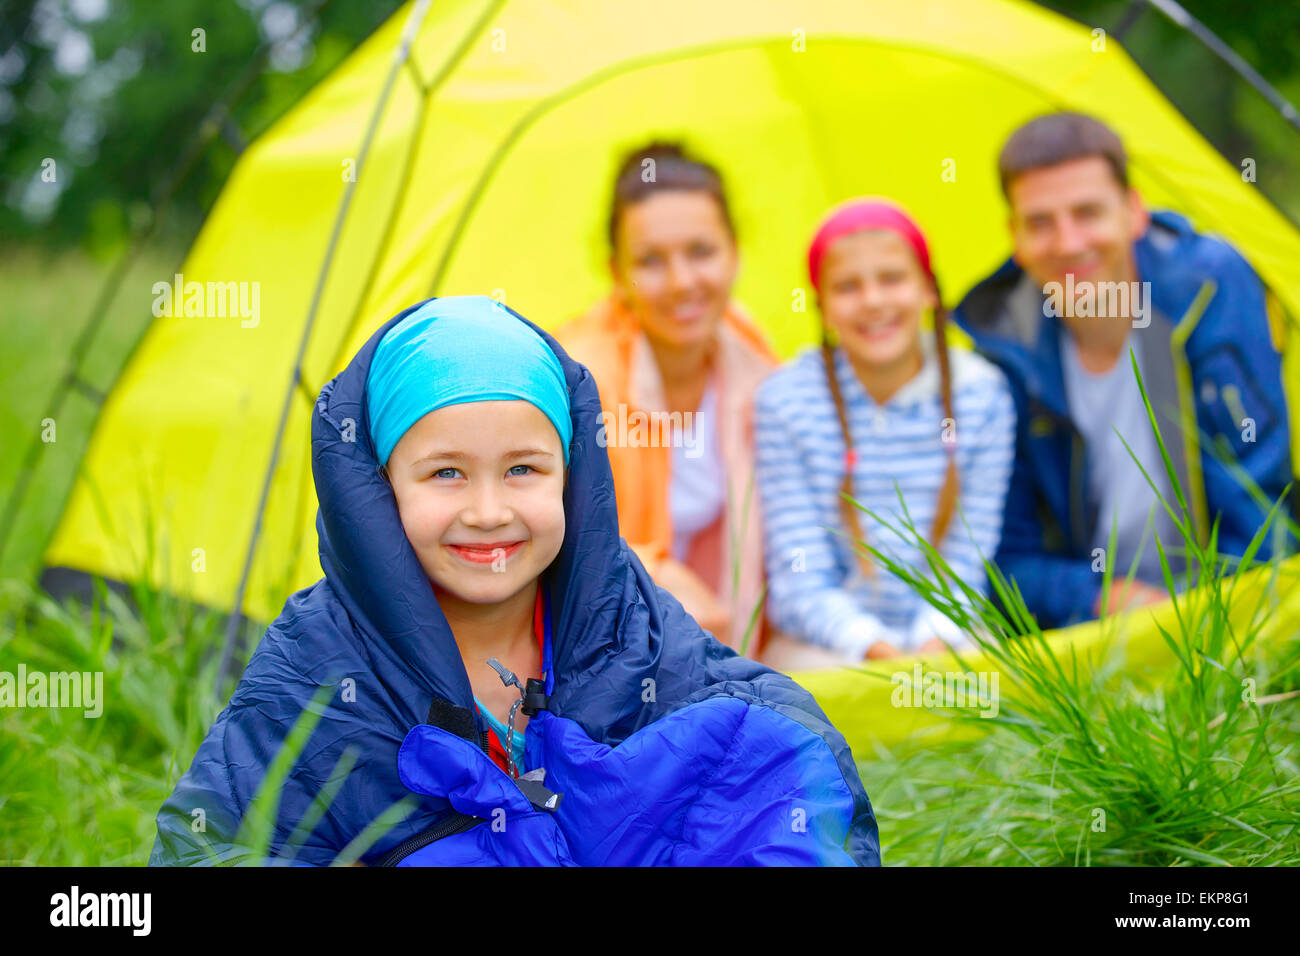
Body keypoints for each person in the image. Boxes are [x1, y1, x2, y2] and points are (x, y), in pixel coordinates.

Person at [150, 295, 879, 866]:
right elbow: (213, 843)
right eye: (445, 474)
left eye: (524, 470)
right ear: (377, 489)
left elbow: (768, 757)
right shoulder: (317, 664)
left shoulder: (632, 621)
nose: (489, 512)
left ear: (572, 476)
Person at [953, 111, 1294, 629]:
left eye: (1088, 212)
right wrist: (1098, 599)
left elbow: (1260, 503)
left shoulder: (1212, 289)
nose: (1068, 243)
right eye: (1040, 222)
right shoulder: (1003, 352)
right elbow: (1001, 562)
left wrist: (1214, 626)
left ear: (1134, 212)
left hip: (1232, 609)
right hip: (1093, 633)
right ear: (1015, 237)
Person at [755, 199, 1017, 669]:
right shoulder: (785, 401)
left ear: (929, 290)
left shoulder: (983, 396)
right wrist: (879, 651)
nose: (873, 300)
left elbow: (965, 562)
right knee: (796, 694)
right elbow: (800, 580)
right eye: (848, 287)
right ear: (824, 308)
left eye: (892, 279)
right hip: (829, 645)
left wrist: (929, 648)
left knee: (980, 683)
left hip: (944, 633)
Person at [554, 142, 778, 653]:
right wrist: (658, 582)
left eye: (701, 252)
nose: (681, 283)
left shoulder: (756, 361)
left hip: (735, 646)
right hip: (606, 649)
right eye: (651, 261)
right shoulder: (580, 378)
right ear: (617, 273)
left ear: (735, 252)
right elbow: (565, 541)